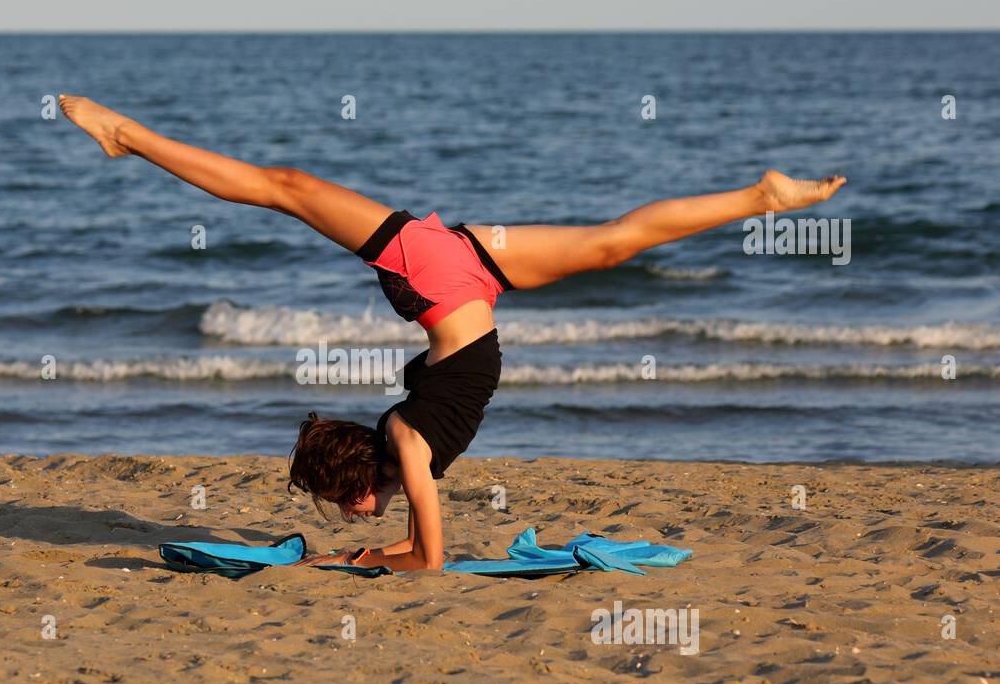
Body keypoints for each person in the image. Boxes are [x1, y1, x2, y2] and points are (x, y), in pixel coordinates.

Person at [59, 95, 846, 571]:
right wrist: (373, 555)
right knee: (615, 242)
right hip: (471, 274)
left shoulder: (406, 443)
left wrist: (362, 560)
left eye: (343, 507)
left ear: (357, 482)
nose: (346, 516)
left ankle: (127, 136)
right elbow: (422, 549)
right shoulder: (408, 447)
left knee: (284, 189)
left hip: (442, 280)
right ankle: (759, 196)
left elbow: (429, 560)